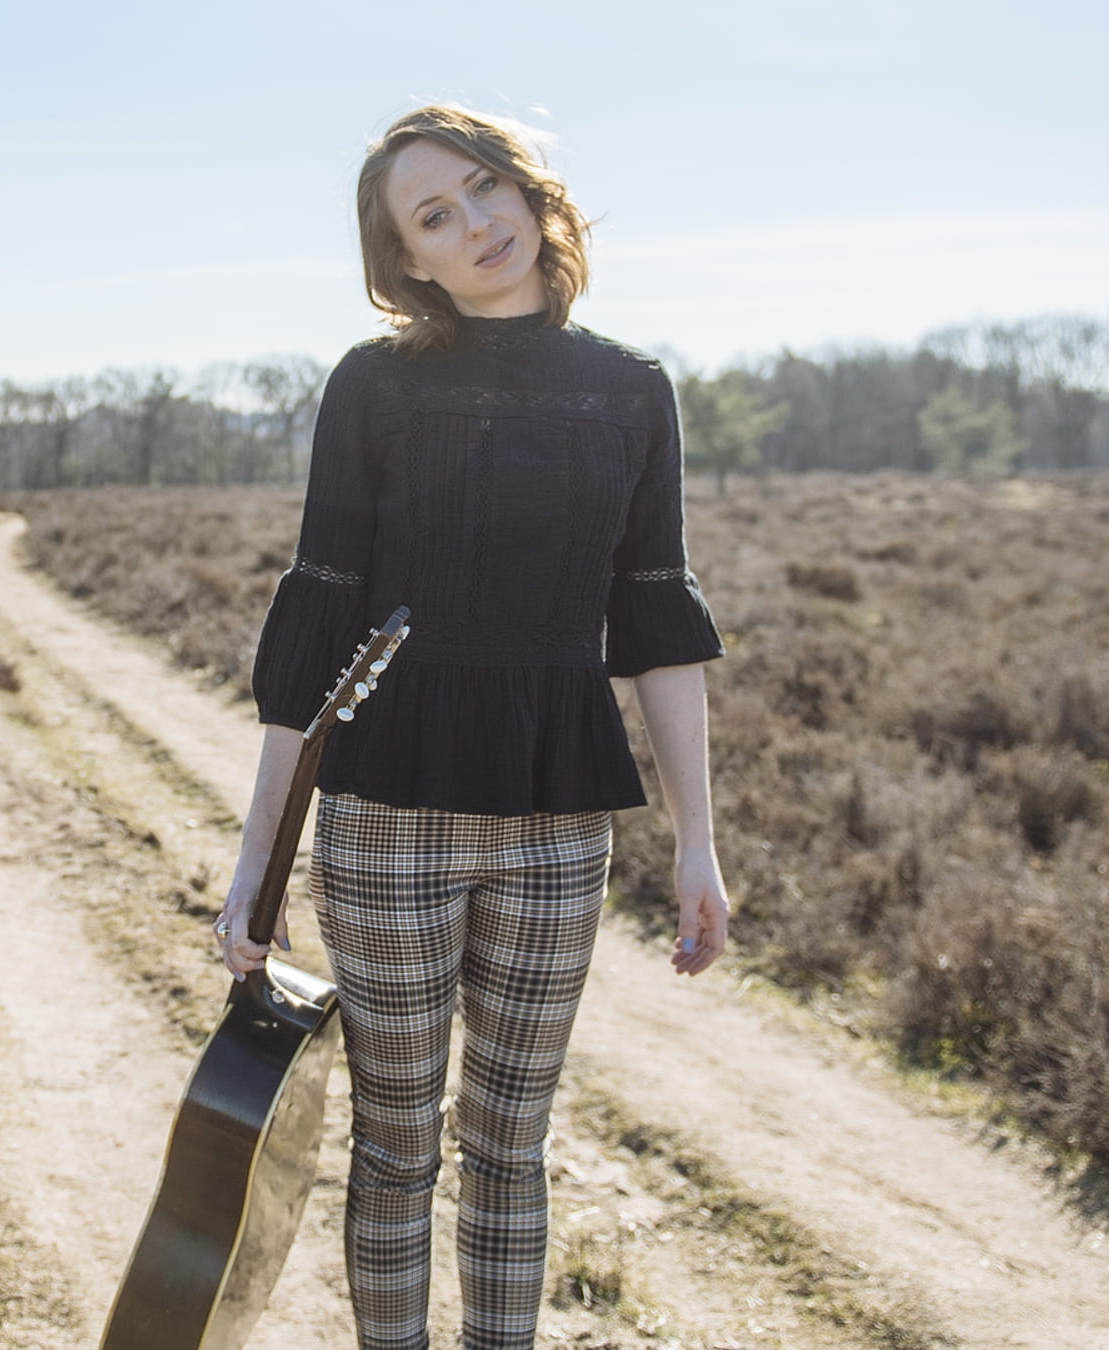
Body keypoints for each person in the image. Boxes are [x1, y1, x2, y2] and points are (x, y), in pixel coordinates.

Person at [214, 104, 733, 1350]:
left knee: (512, 1144)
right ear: (410, 263)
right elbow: (317, 628)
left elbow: (656, 622)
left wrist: (699, 847)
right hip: (385, 818)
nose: (474, 224)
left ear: (530, 189)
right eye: (432, 217)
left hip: (561, 832)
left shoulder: (631, 393)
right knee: (395, 1147)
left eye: (482, 188)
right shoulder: (377, 388)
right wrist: (255, 858)